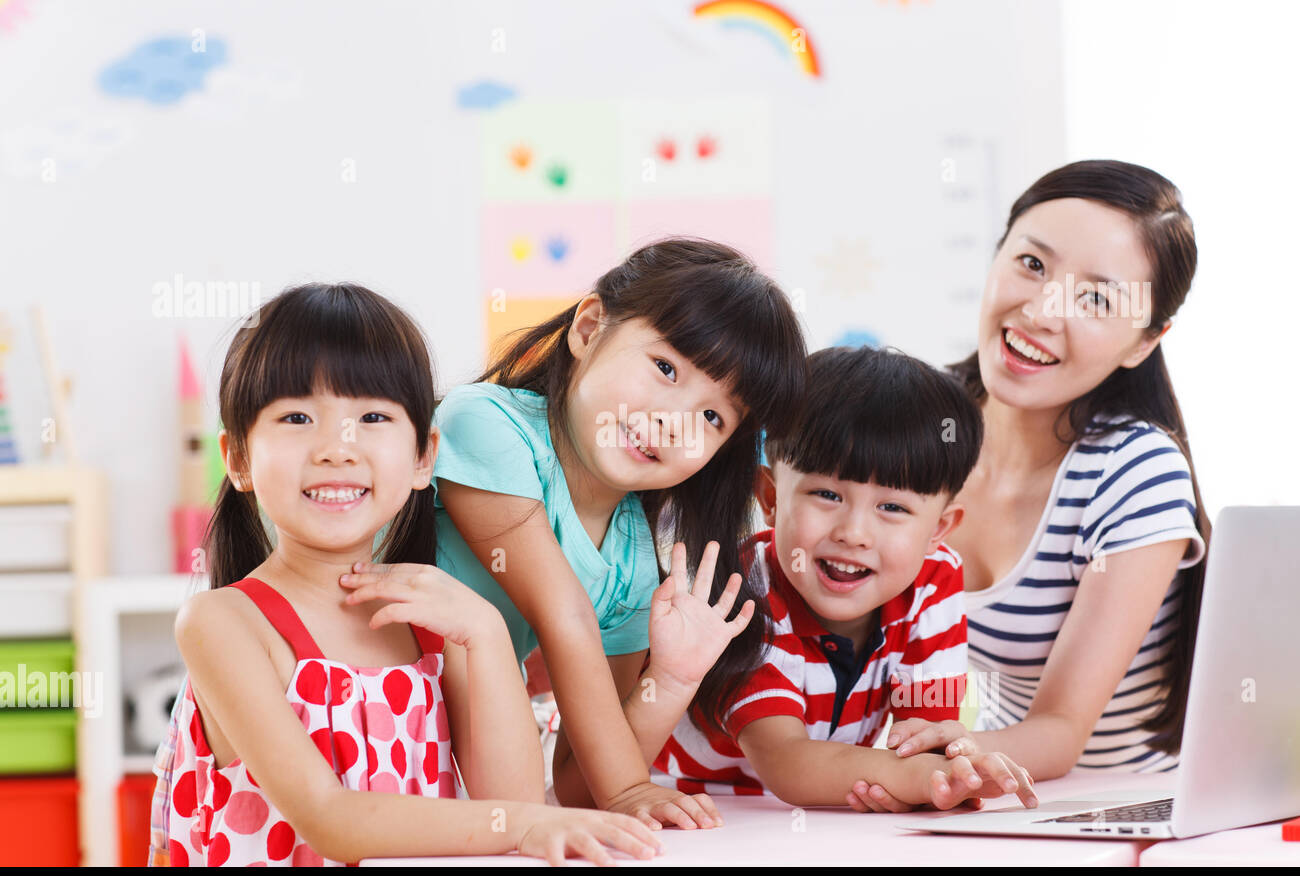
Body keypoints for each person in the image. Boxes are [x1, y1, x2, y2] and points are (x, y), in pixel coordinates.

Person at [150, 283, 660, 866]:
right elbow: (330, 820)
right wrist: (526, 823)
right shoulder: (223, 622)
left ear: (425, 456)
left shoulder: (438, 622)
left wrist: (486, 631)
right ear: (238, 458)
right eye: (296, 416)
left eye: (372, 416)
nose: (336, 449)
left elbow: (511, 803)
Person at [850, 160, 1209, 813]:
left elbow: (1061, 732)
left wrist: (943, 763)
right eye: (1032, 265)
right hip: (1008, 795)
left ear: (1145, 341)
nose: (1042, 312)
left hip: (1140, 805)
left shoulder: (1134, 469)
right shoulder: (922, 432)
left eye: (1097, 299)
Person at [433, 238, 807, 828]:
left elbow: (581, 787)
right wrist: (630, 788)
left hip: (429, 778)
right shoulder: (485, 424)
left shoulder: (632, 556)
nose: (674, 422)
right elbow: (563, 614)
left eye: (713, 417)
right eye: (665, 368)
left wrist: (672, 676)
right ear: (587, 328)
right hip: (328, 712)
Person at [650, 346, 1038, 809]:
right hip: (689, 808)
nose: (853, 533)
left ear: (938, 530)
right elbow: (788, 762)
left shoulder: (933, 581)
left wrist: (945, 771)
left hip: (812, 823)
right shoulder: (742, 592)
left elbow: (921, 741)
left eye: (892, 507)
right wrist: (916, 780)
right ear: (770, 499)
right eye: (827, 494)